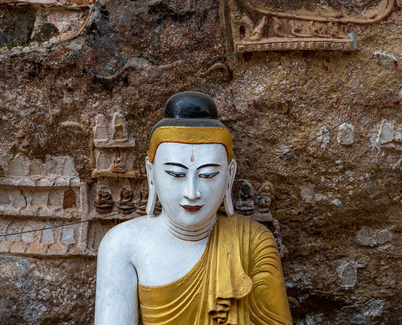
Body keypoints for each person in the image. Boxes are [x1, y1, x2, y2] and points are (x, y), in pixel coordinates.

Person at [94, 91, 292, 325]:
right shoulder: (122, 244)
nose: (192, 192)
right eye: (176, 174)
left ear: (229, 177)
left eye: (208, 175)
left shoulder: (254, 244)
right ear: (151, 174)